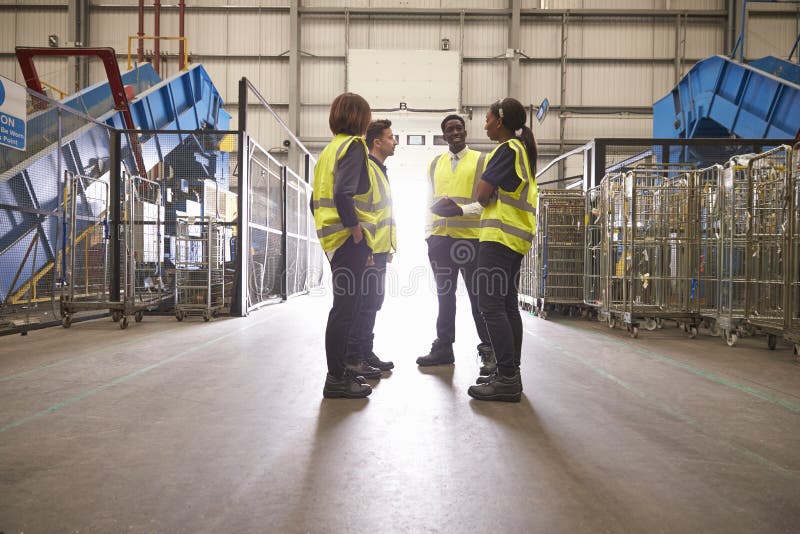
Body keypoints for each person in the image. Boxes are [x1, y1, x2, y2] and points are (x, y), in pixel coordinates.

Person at [467, 98, 538, 403]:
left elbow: (482, 195)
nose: (484, 125)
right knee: (507, 306)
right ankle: (511, 373)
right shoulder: (521, 150)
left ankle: (506, 377)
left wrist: (487, 192)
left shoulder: (506, 149)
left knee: (490, 306)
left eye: (486, 119)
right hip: (515, 238)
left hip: (499, 238)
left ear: (499, 120)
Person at [311, 92, 381, 399]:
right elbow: (342, 194)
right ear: (361, 118)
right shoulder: (354, 146)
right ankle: (337, 379)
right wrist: (355, 231)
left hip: (332, 239)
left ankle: (340, 373)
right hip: (347, 239)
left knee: (344, 308)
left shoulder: (329, 149)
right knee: (345, 310)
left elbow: (315, 200)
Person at [416, 114, 495, 374]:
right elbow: (430, 200)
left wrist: (460, 211)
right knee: (444, 297)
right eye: (450, 129)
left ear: (465, 131)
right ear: (444, 135)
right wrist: (429, 234)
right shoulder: (434, 164)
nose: (455, 132)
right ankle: (444, 347)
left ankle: (489, 350)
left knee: (478, 298)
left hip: (471, 240)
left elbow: (489, 203)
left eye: (458, 128)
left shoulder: (481, 160)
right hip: (440, 240)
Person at [345, 119, 398, 373]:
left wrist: (388, 247)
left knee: (374, 302)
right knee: (364, 304)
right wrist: (364, 247)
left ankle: (365, 352)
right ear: (377, 142)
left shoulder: (380, 171)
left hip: (378, 250)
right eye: (391, 137)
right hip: (367, 250)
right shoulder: (366, 167)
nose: (394, 141)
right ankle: (354, 358)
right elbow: (357, 209)